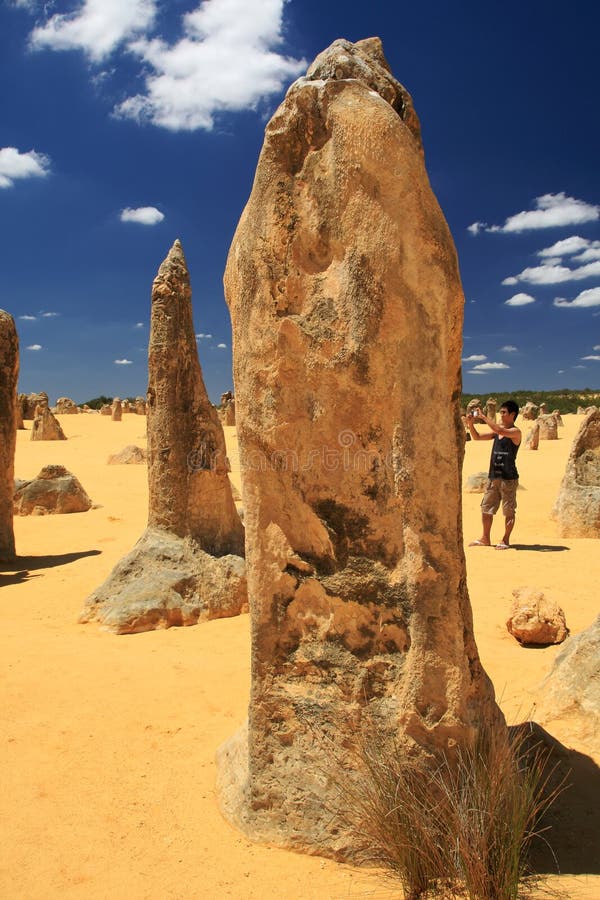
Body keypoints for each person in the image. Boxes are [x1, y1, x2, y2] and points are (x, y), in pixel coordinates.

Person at [466, 400, 521, 549]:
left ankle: (505, 540)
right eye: (501, 412)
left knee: (508, 510)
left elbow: (501, 431)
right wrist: (470, 423)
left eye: (504, 412)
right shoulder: (497, 432)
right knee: (486, 508)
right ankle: (485, 538)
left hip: (508, 478)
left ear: (512, 414)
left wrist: (483, 417)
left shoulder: (515, 432)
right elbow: (477, 437)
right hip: (494, 477)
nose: (501, 415)